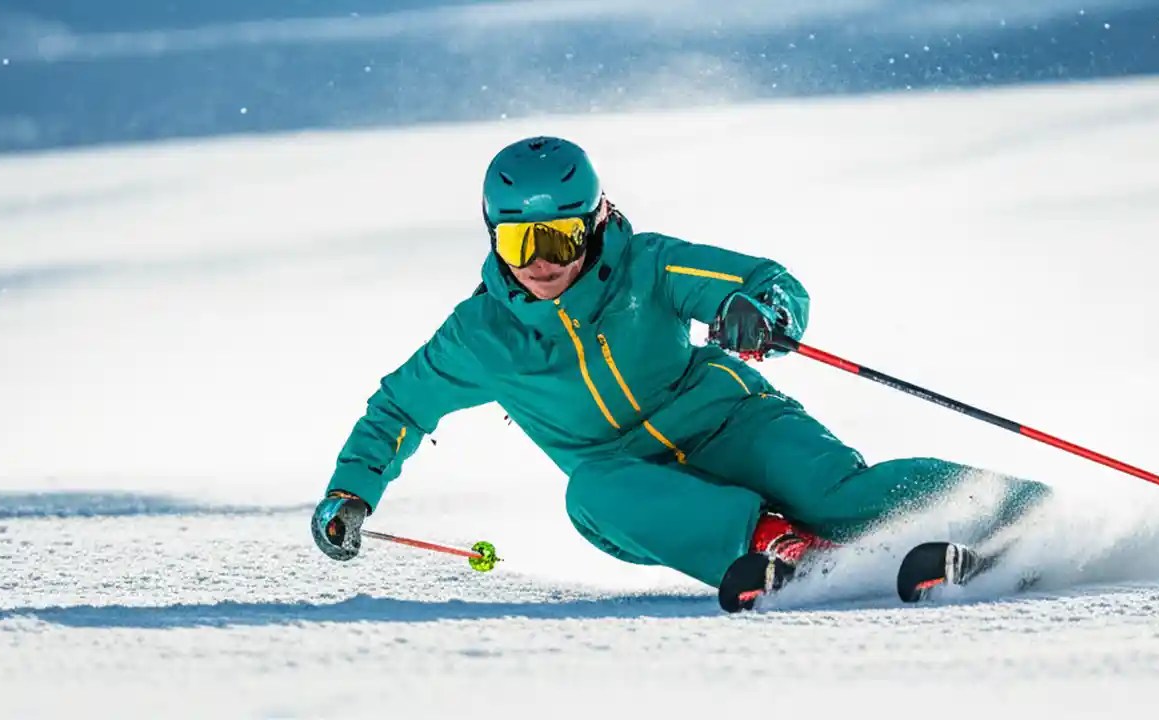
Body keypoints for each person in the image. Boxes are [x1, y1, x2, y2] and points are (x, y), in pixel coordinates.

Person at [310, 136, 1048, 611]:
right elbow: (398, 409)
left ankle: (1016, 512)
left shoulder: (647, 264)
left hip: (733, 421)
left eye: (561, 236)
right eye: (517, 238)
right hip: (634, 482)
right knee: (590, 490)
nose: (542, 261)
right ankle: (778, 551)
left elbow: (763, 280)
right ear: (490, 233)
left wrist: (761, 311)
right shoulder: (482, 335)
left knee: (840, 495)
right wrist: (352, 491)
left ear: (595, 223)